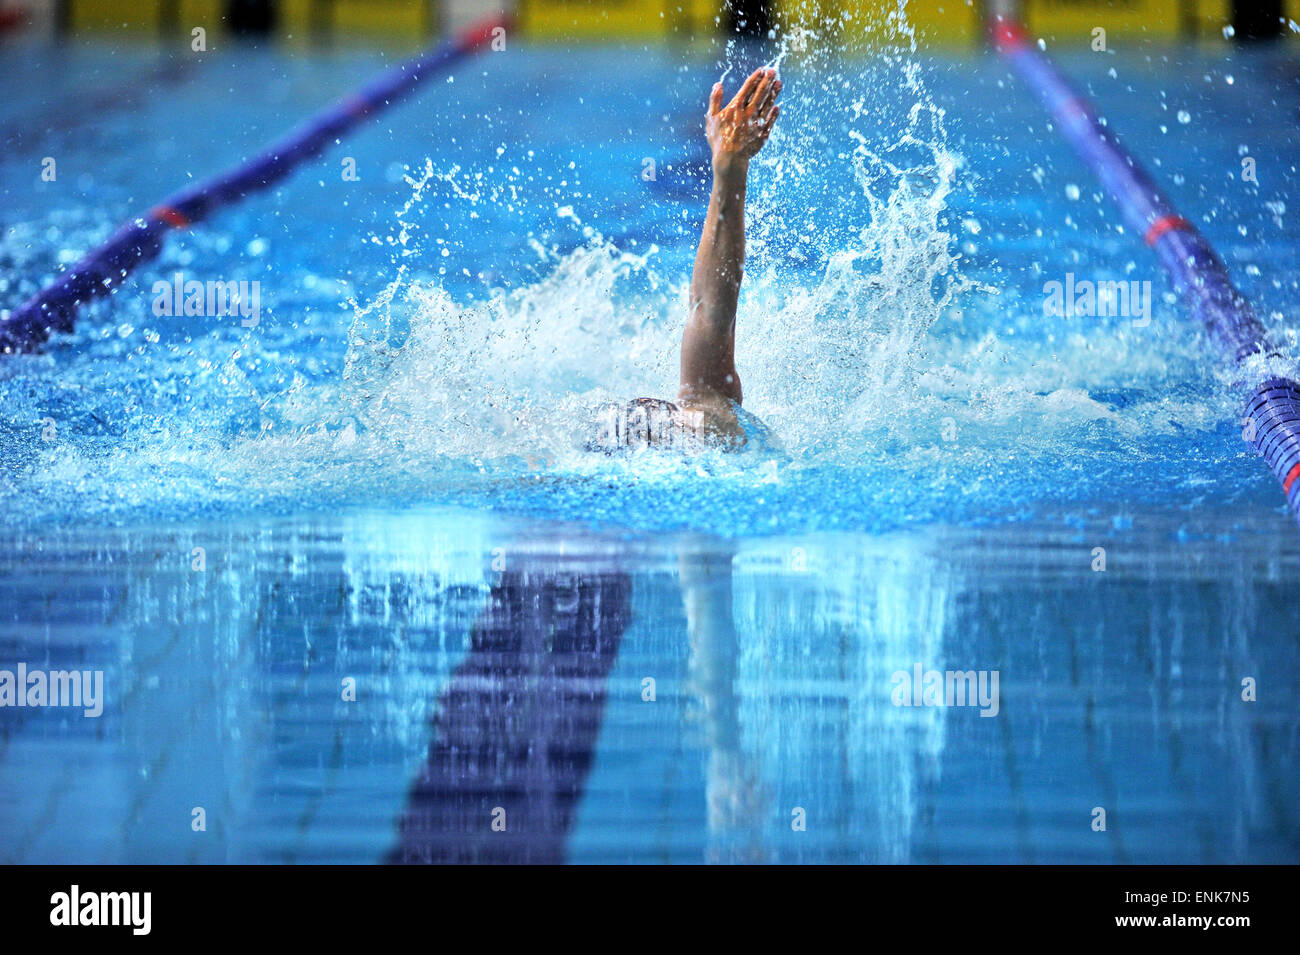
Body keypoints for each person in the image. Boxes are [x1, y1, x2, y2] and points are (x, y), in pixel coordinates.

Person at [590, 67, 782, 453]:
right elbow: (709, 311)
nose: (646, 402)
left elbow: (708, 313)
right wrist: (730, 167)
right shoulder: (714, 436)